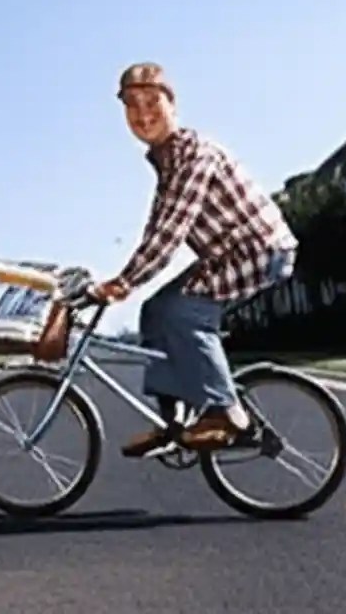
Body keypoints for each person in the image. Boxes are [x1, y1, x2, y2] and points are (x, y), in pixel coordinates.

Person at [91, 62, 299, 458]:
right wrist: (121, 279)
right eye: (132, 105)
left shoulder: (194, 154)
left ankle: (227, 413)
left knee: (184, 312)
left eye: (153, 101)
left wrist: (123, 284)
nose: (143, 113)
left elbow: (171, 232)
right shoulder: (166, 163)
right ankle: (176, 423)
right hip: (227, 255)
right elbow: (154, 232)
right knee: (155, 311)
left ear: (174, 105)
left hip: (260, 250)